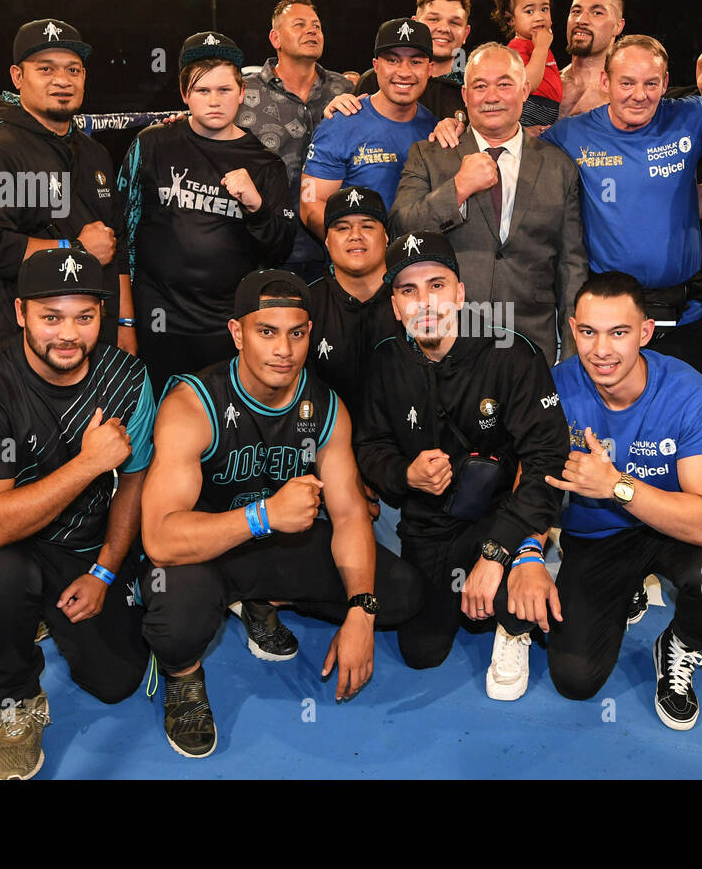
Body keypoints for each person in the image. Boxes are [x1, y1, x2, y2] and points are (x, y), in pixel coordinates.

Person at [138, 269, 422, 758]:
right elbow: (160, 538)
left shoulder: (327, 408)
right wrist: (263, 515)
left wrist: (361, 610)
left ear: (309, 334)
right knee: (175, 618)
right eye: (266, 332)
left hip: (275, 546)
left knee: (398, 594)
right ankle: (184, 679)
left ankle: (260, 602)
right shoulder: (193, 403)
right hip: (204, 553)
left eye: (296, 333)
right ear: (237, 334)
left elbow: (352, 516)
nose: (283, 350)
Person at [0, 247, 155, 779]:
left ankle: (43, 605)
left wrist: (105, 567)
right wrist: (87, 464)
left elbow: (133, 481)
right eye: (50, 317)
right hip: (2, 537)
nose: (68, 334)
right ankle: (18, 699)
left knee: (116, 681)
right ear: (20, 314)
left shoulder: (126, 377)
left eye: (83, 317)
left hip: (81, 541)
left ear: (101, 315)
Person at [354, 232, 569, 700]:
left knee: (514, 595)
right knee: (421, 651)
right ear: (394, 305)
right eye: (408, 291)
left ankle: (515, 621)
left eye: (436, 285)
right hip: (427, 523)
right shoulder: (386, 358)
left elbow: (548, 460)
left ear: (460, 293)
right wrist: (403, 474)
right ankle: (483, 589)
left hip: (502, 516)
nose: (424, 302)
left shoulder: (512, 352)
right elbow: (370, 445)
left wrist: (497, 553)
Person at [526, 272, 702, 730]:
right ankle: (624, 589)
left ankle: (679, 643)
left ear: (645, 333)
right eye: (588, 332)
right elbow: (531, 483)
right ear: (572, 328)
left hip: (670, 527)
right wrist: (526, 554)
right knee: (575, 679)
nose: (601, 349)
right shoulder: (553, 388)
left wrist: (615, 486)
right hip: (596, 536)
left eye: (618, 332)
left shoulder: (691, 395)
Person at [117, 31, 293, 394]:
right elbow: (121, 230)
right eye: (202, 90)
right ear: (185, 95)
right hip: (157, 322)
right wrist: (125, 321)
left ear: (242, 93)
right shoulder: (151, 144)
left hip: (225, 327)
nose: (214, 101)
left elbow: (280, 250)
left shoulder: (264, 163)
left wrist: (255, 205)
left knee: (220, 431)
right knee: (152, 429)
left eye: (224, 90)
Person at [0, 19, 132, 355]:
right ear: (18, 77)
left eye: (73, 70)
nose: (62, 80)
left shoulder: (95, 152)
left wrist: (124, 325)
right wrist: (73, 248)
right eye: (46, 69)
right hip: (27, 347)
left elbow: (116, 248)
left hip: (97, 338)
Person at [391, 42, 588, 364]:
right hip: (449, 341)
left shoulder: (559, 166)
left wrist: (571, 355)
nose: (492, 96)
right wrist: (457, 189)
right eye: (480, 86)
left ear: (525, 90)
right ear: (466, 95)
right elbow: (400, 230)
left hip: (533, 344)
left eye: (504, 84)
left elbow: (572, 268)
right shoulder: (428, 155)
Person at [541, 35, 702, 379]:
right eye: (627, 83)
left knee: (683, 422)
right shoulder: (570, 134)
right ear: (605, 82)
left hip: (684, 319)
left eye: (651, 83)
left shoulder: (692, 116)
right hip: (609, 322)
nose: (639, 95)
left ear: (665, 83)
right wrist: (455, 122)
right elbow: (513, 147)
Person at [238, 0, 355, 282]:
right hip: (262, 246)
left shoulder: (346, 89)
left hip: (336, 247)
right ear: (275, 38)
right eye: (299, 24)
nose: (312, 30)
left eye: (316, 25)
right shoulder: (242, 94)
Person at [300, 19, 437, 239]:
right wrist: (355, 246)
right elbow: (311, 205)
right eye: (392, 60)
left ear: (430, 69)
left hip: (416, 264)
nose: (404, 72)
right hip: (354, 266)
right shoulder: (341, 123)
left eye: (416, 62)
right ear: (375, 66)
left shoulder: (434, 128)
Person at [307, 186, 398, 419]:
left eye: (367, 226)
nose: (355, 235)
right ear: (327, 240)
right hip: (323, 440)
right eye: (342, 228)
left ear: (387, 237)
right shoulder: (305, 305)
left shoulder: (413, 300)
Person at [336, 0, 471, 123]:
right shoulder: (374, 79)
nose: (443, 28)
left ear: (466, 33)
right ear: (415, 24)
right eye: (433, 19)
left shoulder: (474, 86)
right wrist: (337, 111)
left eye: (454, 22)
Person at [492, 0, 561, 128]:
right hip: (530, 110)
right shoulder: (516, 48)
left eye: (544, 9)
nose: (539, 17)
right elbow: (527, 83)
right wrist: (541, 48)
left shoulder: (538, 43)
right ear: (511, 19)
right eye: (529, 11)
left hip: (550, 111)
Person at [559, 0, 627, 118]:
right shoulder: (545, 84)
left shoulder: (626, 94)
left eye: (597, 13)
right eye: (576, 11)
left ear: (618, 26)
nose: (581, 20)